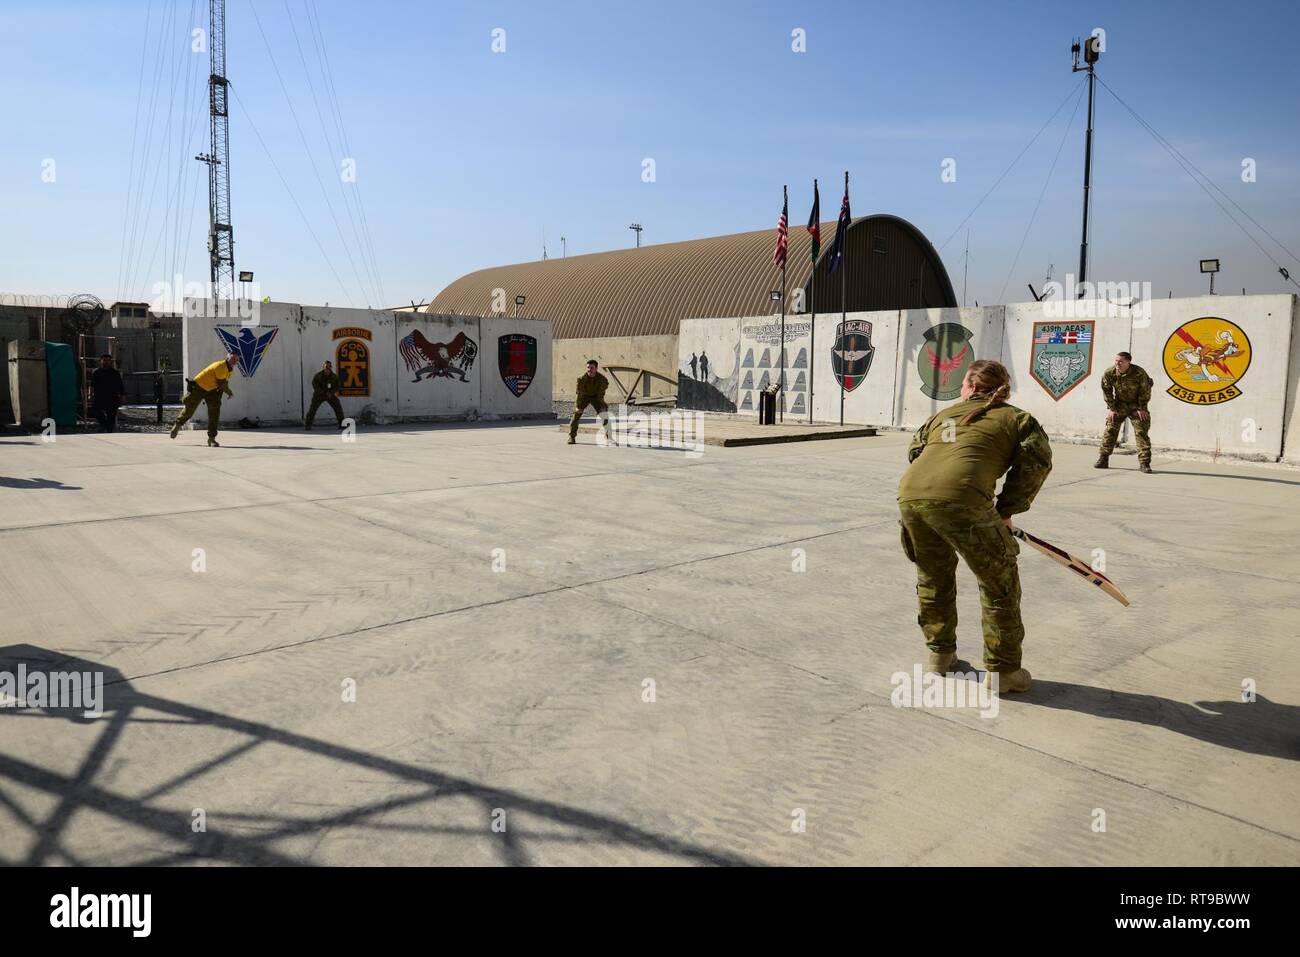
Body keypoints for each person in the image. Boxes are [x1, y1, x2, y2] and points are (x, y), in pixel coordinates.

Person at [897, 359, 1053, 693]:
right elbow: (1037, 461)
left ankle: (940, 656)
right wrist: (1007, 509)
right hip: (963, 501)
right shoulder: (1017, 418)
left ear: (967, 386)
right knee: (999, 584)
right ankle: (1003, 672)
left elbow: (915, 453)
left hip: (911, 499)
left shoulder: (941, 416)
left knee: (932, 577)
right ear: (1002, 388)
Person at [1096, 351, 1154, 473]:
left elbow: (1146, 390)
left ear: (1128, 362)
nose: (1118, 363)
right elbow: (1106, 390)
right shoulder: (1110, 373)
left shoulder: (1139, 373)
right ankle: (1103, 459)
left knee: (1141, 431)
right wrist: (1111, 408)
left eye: (1121, 361)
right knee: (1110, 429)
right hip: (1119, 404)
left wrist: (1142, 408)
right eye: (1116, 361)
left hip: (1136, 405)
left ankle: (1144, 463)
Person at [170, 351, 238, 446]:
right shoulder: (221, 366)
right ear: (227, 358)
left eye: (237, 359)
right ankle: (178, 424)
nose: (235, 361)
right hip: (200, 386)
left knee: (215, 412)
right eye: (233, 358)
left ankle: (211, 439)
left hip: (212, 389)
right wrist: (230, 393)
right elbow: (222, 384)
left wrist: (221, 396)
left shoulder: (229, 370)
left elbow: (223, 384)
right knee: (190, 408)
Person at [568, 359, 610, 445]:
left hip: (596, 396)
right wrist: (578, 406)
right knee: (576, 415)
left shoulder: (602, 379)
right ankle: (572, 437)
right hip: (584, 396)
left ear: (596, 368)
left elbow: (601, 394)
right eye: (588, 367)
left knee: (604, 414)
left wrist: (602, 406)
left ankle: (609, 437)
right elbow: (579, 394)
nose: (589, 370)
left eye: (592, 367)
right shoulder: (581, 379)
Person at [89, 354, 126, 433]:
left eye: (108, 360)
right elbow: (92, 385)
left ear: (111, 362)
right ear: (101, 361)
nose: (106, 362)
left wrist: (122, 395)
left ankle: (109, 430)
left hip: (112, 396)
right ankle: (104, 425)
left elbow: (120, 385)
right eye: (104, 360)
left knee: (111, 415)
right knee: (95, 411)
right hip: (100, 396)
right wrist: (90, 395)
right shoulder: (96, 372)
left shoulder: (115, 373)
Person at [305, 360, 344, 430]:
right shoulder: (318, 376)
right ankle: (308, 425)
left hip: (330, 395)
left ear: (331, 367)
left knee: (338, 407)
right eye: (326, 367)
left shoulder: (334, 377)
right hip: (319, 395)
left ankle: (342, 424)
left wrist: (331, 393)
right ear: (323, 367)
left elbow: (338, 386)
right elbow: (315, 386)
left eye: (329, 367)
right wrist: (324, 392)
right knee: (312, 410)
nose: (328, 368)